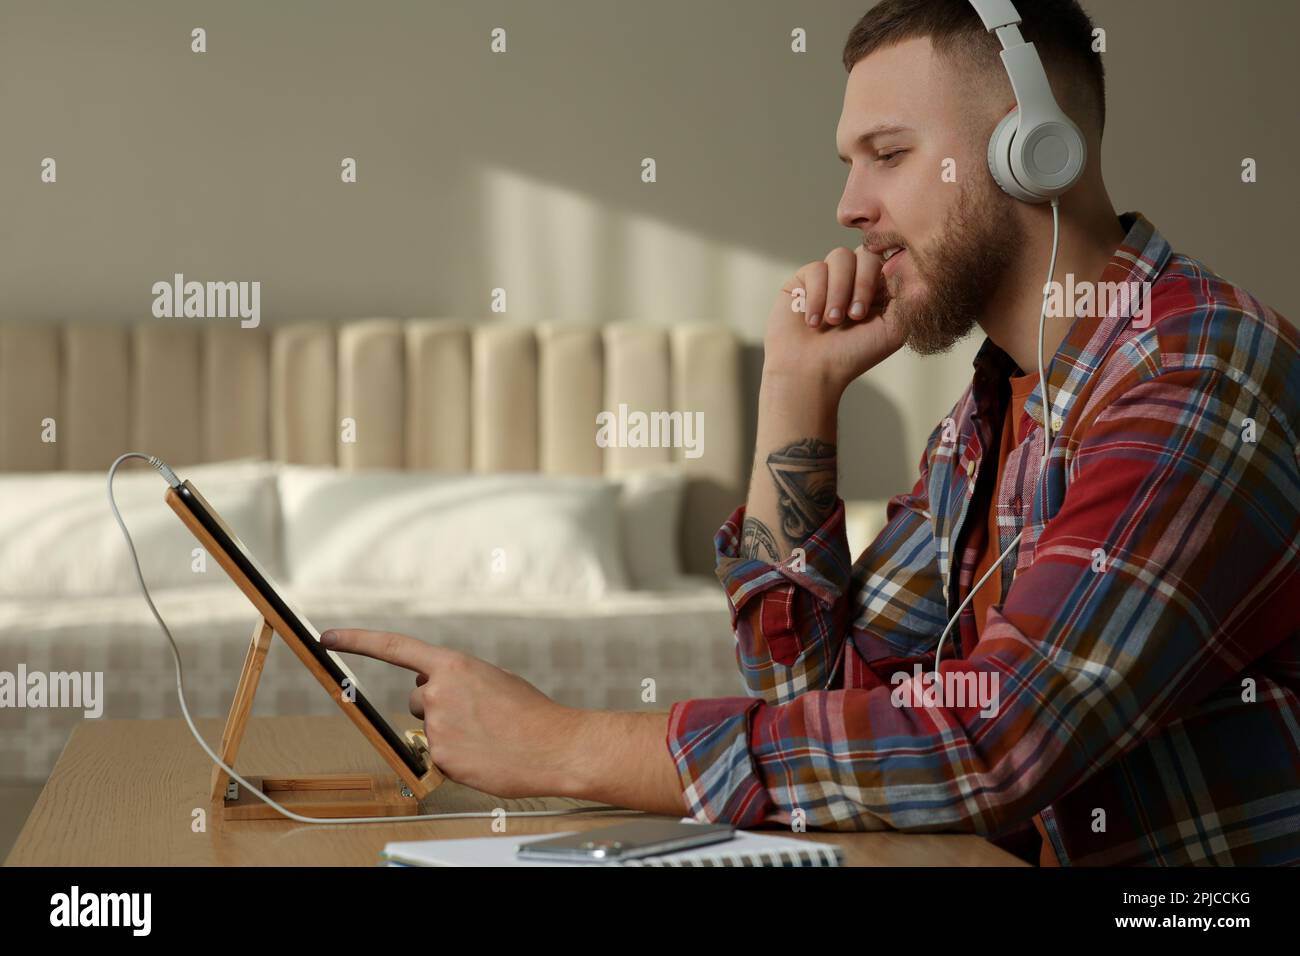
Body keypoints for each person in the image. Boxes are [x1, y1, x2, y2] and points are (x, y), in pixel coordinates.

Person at [322, 0, 1300, 866]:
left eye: (889, 154)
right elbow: (816, 692)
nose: (847, 208)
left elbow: (995, 742)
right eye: (849, 164)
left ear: (1029, 149)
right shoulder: (997, 406)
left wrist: (559, 743)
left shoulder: (1193, 378)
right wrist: (794, 388)